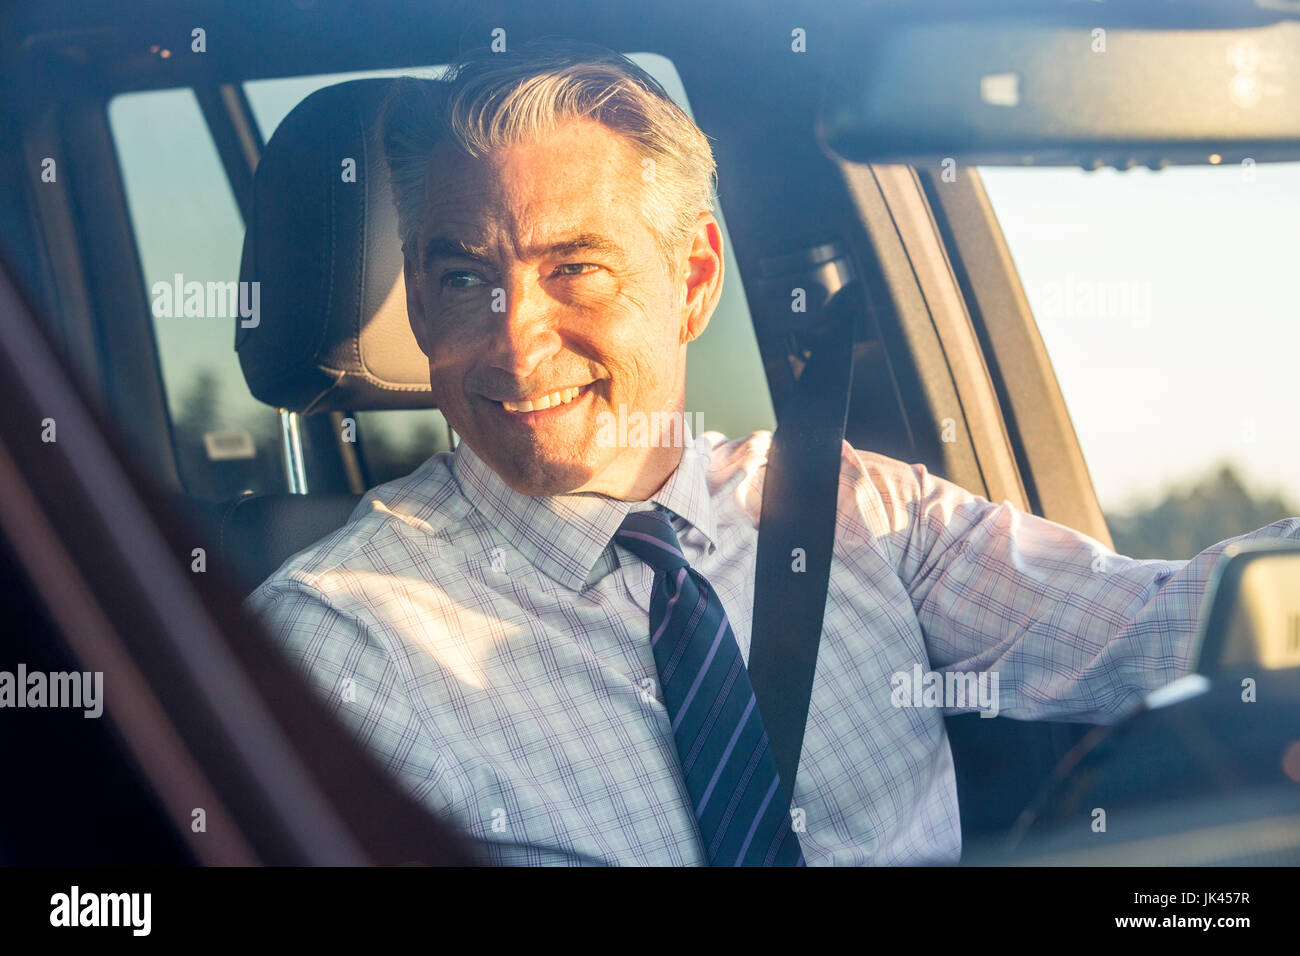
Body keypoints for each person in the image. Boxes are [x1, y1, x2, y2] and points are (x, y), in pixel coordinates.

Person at [246, 40, 1300, 866]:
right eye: (467, 279)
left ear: (694, 277)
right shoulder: (346, 646)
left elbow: (1162, 621)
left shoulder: (854, 510)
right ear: (421, 306)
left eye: (576, 269)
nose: (518, 343)